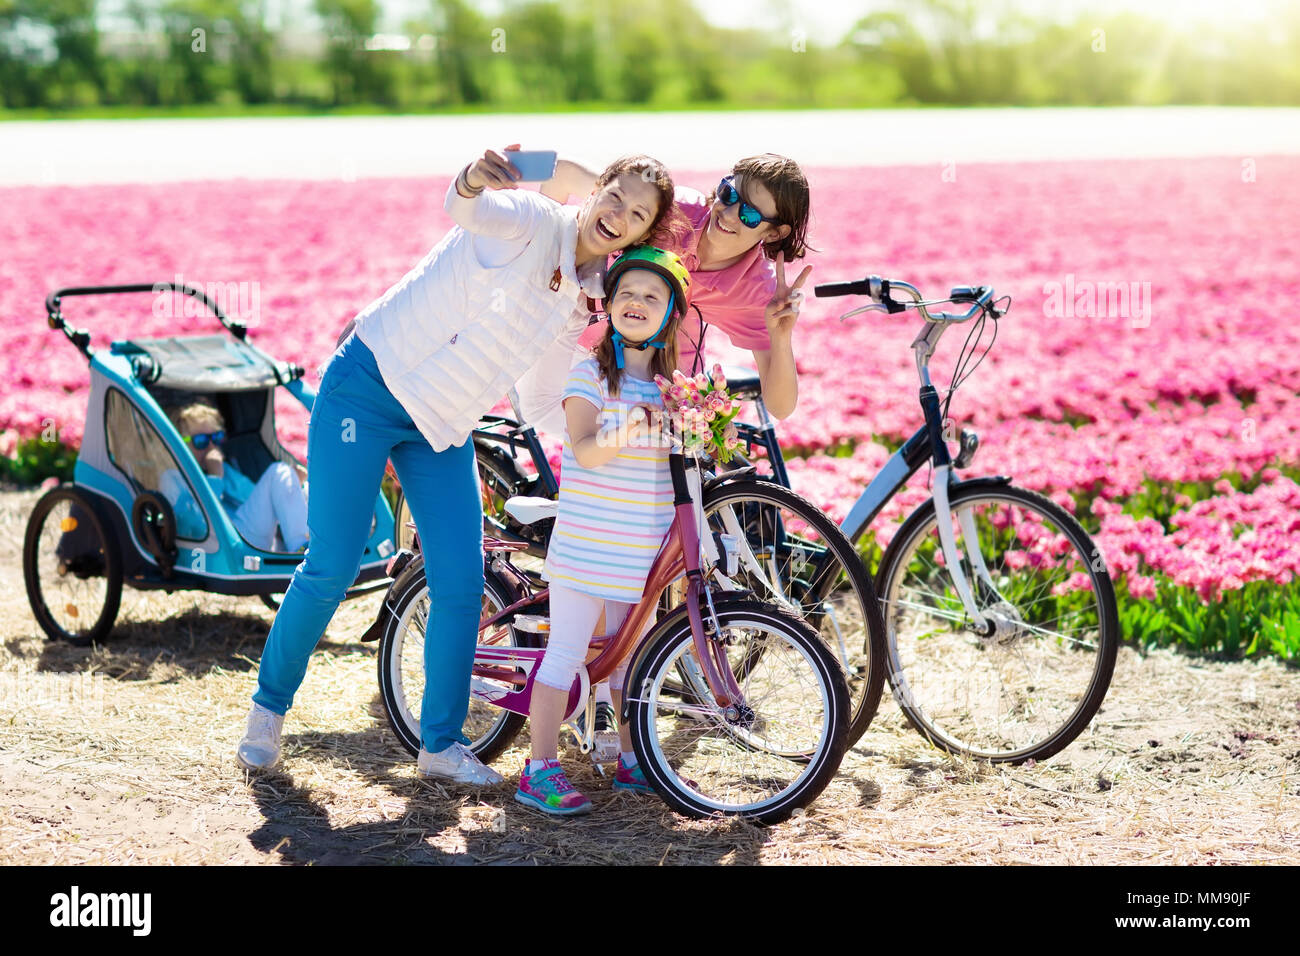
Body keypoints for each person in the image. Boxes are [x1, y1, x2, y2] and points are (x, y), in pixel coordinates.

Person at [236, 147, 680, 784]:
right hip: (369, 384)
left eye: (637, 215)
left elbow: (538, 400)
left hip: (441, 426)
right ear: (595, 189)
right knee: (331, 565)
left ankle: (439, 744)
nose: (619, 215)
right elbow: (466, 207)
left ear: (640, 235)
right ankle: (268, 711)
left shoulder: (585, 299)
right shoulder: (533, 218)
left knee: (461, 582)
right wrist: (473, 178)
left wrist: (614, 436)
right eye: (615, 196)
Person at [516, 247, 689, 816]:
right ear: (609, 306)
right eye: (626, 294)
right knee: (564, 655)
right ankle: (538, 767)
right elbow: (586, 451)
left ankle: (632, 758)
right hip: (589, 549)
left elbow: (677, 470)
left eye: (651, 296)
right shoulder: (590, 371)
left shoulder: (672, 389)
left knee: (630, 662)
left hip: (639, 556)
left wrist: (703, 433)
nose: (636, 303)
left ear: (670, 315)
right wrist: (630, 430)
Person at [519, 153, 813, 432]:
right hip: (583, 340)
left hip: (666, 382)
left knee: (679, 453)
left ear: (775, 233)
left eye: (750, 214)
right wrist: (536, 264)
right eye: (729, 194)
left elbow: (781, 407)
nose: (729, 213)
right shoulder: (674, 210)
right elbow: (564, 174)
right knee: (561, 420)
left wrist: (781, 335)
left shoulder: (757, 289)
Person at [160, 401, 308, 551]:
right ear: (181, 444)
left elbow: (252, 498)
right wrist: (214, 479)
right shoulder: (173, 477)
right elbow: (190, 525)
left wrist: (291, 486)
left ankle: (304, 549)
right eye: (201, 441)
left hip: (247, 536)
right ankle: (302, 552)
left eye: (216, 438)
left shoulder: (224, 468)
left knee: (300, 484)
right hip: (222, 546)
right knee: (278, 471)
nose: (211, 447)